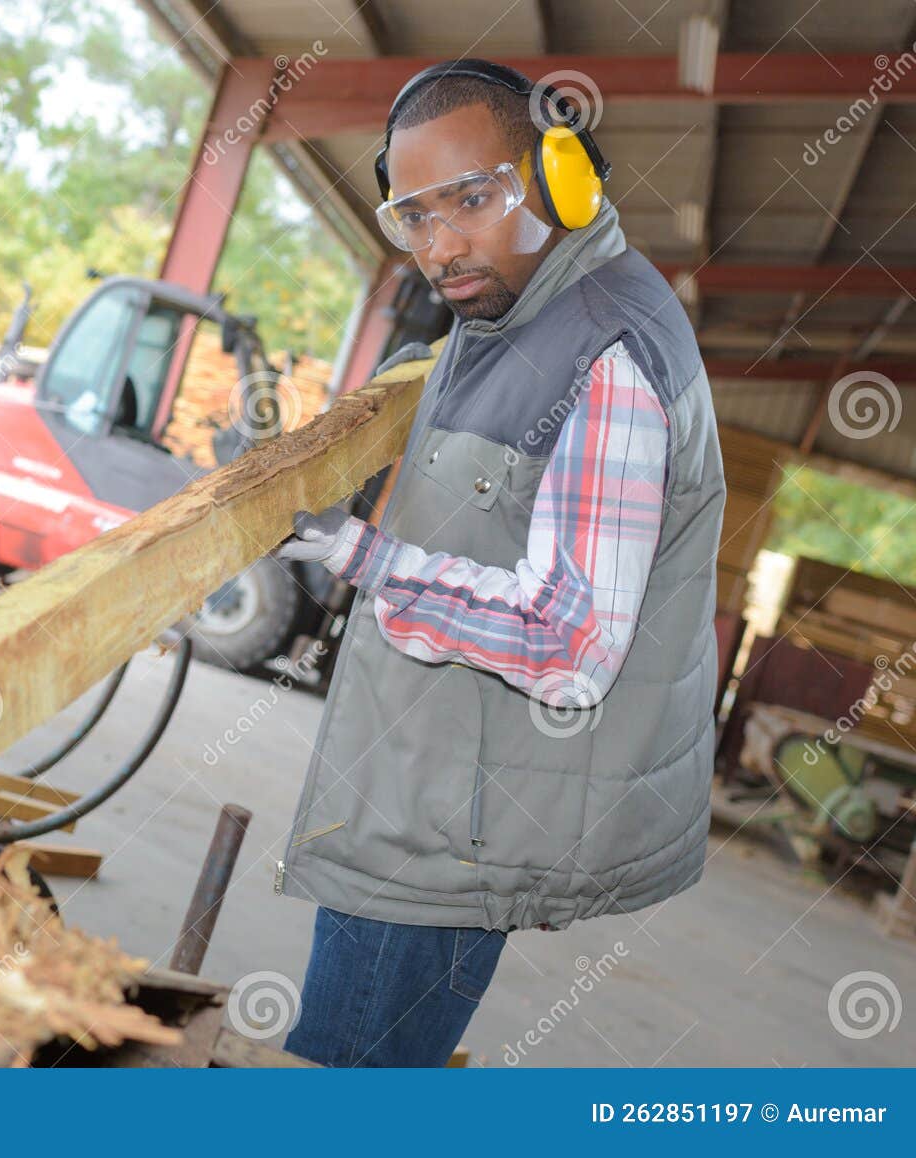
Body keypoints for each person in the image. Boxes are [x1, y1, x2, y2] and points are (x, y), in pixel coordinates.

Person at [271, 60, 724, 1067]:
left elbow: (568, 642)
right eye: (414, 217)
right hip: (431, 779)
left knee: (340, 1077)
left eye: (473, 200)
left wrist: (362, 556)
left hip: (453, 824)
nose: (440, 247)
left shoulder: (604, 356)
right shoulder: (510, 306)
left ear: (561, 179)